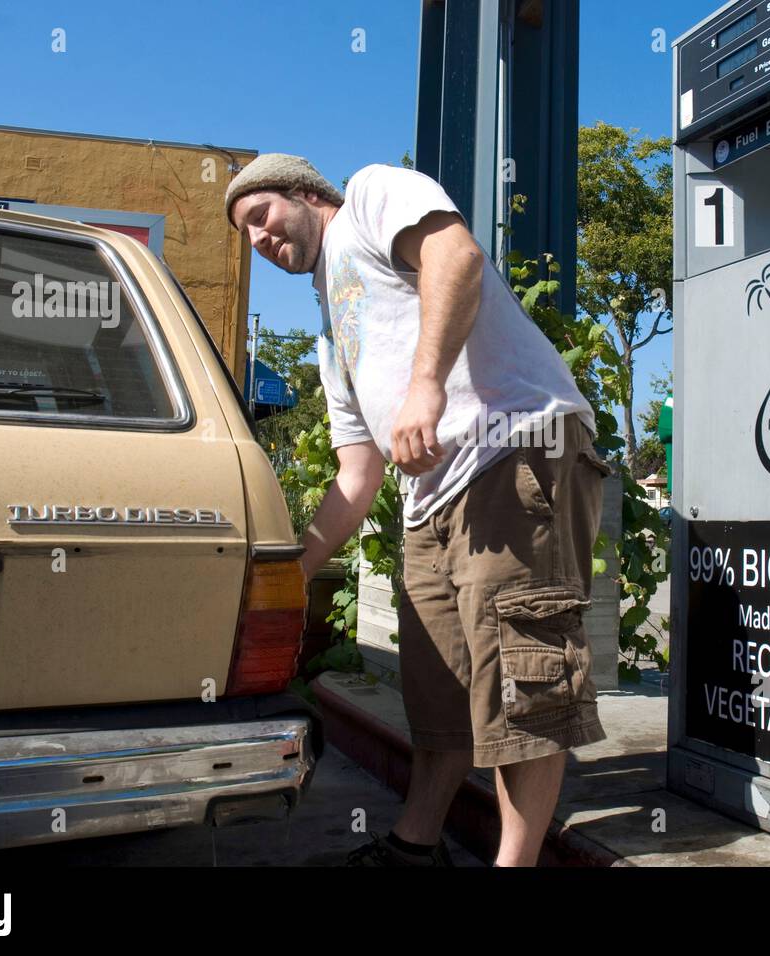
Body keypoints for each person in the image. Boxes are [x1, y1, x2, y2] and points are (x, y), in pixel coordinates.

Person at [226, 154, 611, 867]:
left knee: (524, 692)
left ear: (307, 193)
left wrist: (427, 384)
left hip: (513, 452)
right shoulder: (329, 332)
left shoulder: (373, 194)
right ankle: (416, 846)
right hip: (429, 505)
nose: (258, 238)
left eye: (261, 216)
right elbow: (357, 473)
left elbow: (455, 255)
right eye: (245, 236)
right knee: (440, 703)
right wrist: (295, 574)